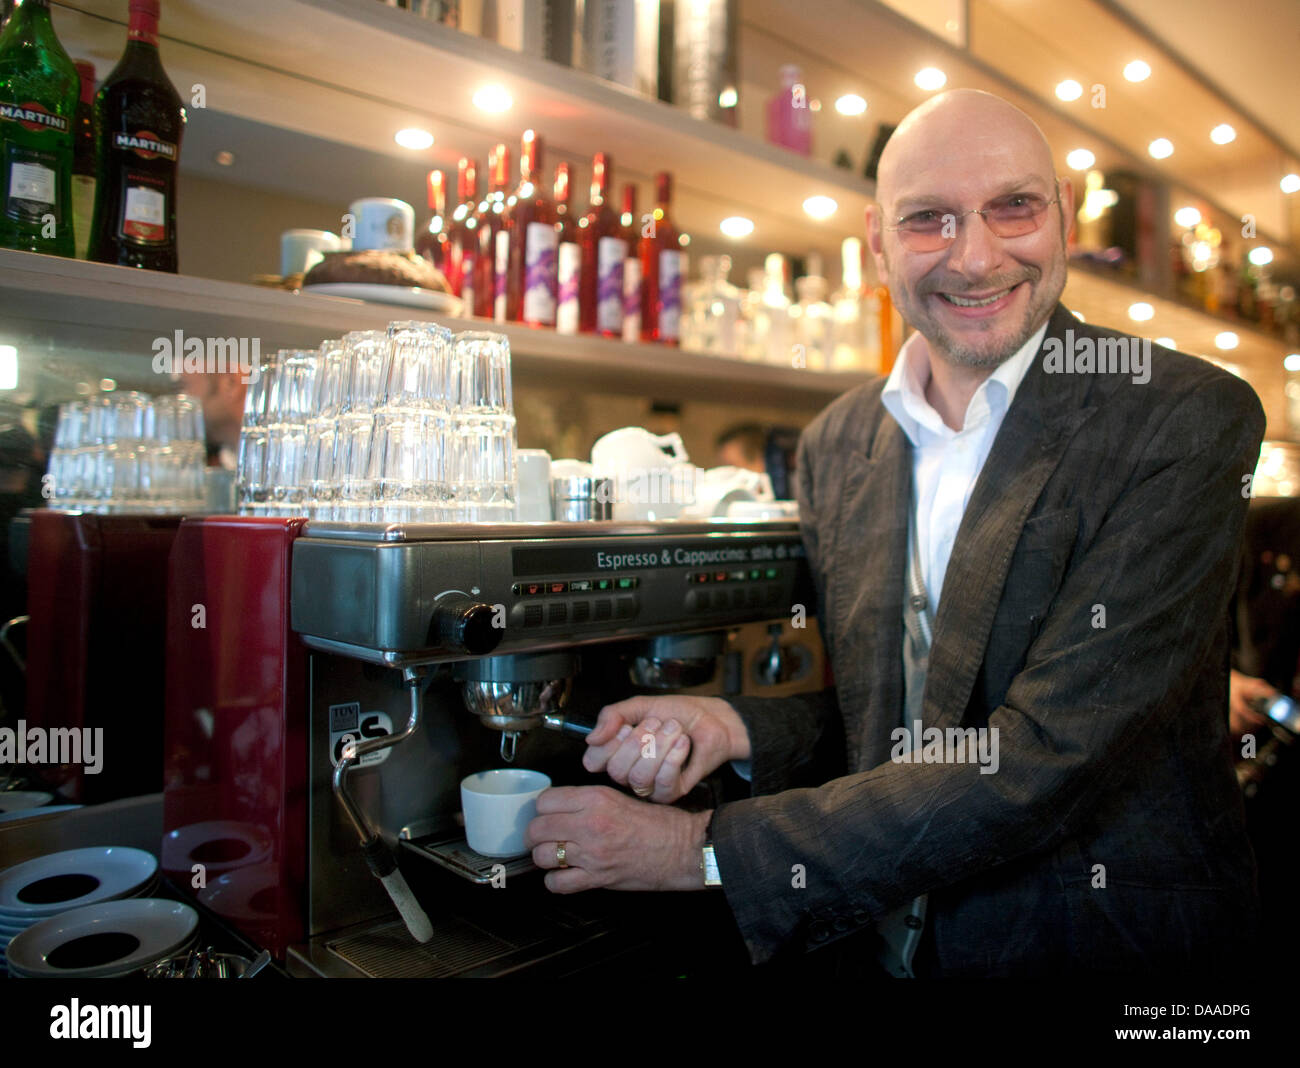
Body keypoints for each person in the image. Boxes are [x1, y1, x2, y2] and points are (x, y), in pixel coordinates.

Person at [524, 89, 1265, 976]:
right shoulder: (838, 442)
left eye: (1014, 207)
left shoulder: (1180, 417)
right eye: (930, 220)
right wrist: (737, 728)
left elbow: (1045, 758)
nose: (977, 256)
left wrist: (697, 849)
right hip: (879, 946)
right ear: (877, 243)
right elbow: (897, 719)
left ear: (1062, 214)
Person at [178, 370, 245, 469]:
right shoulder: (228, 460)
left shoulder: (268, 470)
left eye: (185, 386)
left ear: (230, 383)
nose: (180, 400)